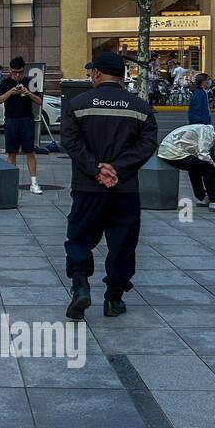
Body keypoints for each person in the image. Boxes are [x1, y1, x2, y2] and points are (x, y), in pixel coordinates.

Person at [60, 51, 158, 320]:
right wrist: (118, 168)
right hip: (124, 189)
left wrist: (95, 169)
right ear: (122, 76)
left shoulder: (77, 103)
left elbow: (70, 141)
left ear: (96, 74)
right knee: (122, 244)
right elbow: (147, 144)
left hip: (86, 187)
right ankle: (113, 299)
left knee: (79, 238)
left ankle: (80, 286)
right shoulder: (140, 107)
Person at [0, 56, 45, 195]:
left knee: (30, 152)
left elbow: (39, 101)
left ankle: (34, 183)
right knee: (12, 152)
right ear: (10, 71)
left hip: (26, 120)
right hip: (11, 120)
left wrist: (27, 92)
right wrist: (11, 92)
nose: (17, 75)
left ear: (24, 71)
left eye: (20, 72)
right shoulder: (5, 83)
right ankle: (12, 183)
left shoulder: (30, 82)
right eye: (14, 72)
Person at [157, 124, 215, 212]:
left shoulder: (204, 129)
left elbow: (198, 155)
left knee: (195, 166)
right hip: (173, 152)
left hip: (168, 151)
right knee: (208, 167)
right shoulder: (208, 133)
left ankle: (201, 198)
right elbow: (203, 154)